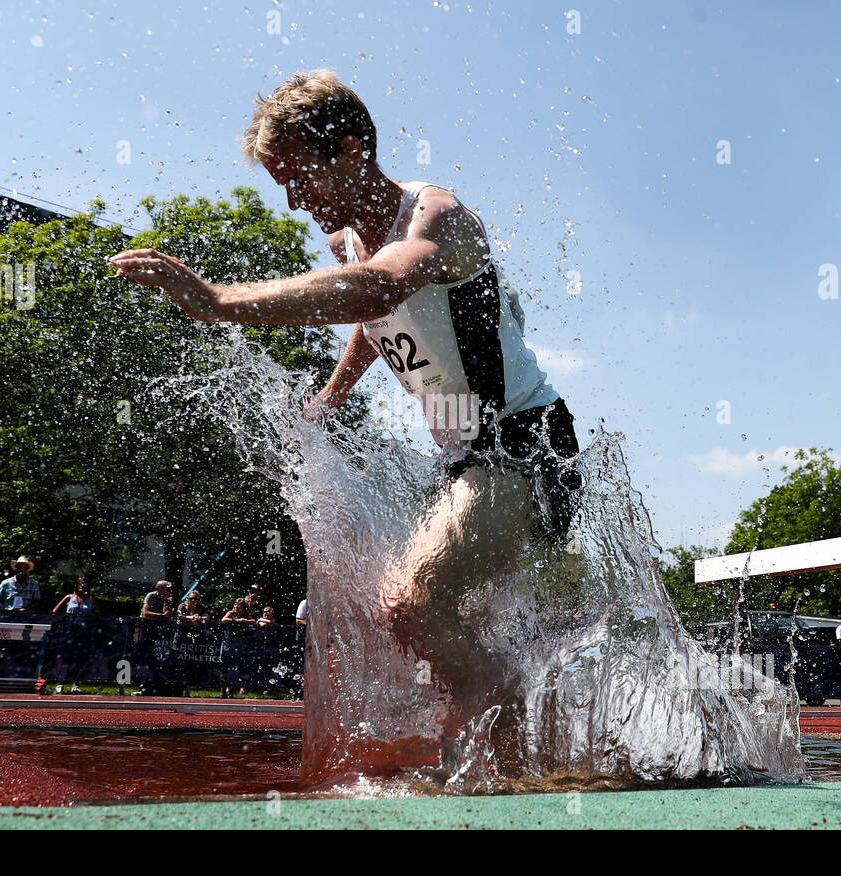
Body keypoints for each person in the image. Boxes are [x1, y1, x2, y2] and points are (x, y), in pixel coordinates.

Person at [110, 70, 582, 709]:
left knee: (410, 606)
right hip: (468, 459)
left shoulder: (434, 217)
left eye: (300, 178)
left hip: (527, 445)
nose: (294, 201)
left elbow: (380, 288)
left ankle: (512, 732)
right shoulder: (347, 240)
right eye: (283, 186)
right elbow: (373, 318)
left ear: (353, 148)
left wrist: (218, 301)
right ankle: (532, 742)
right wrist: (330, 397)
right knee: (455, 626)